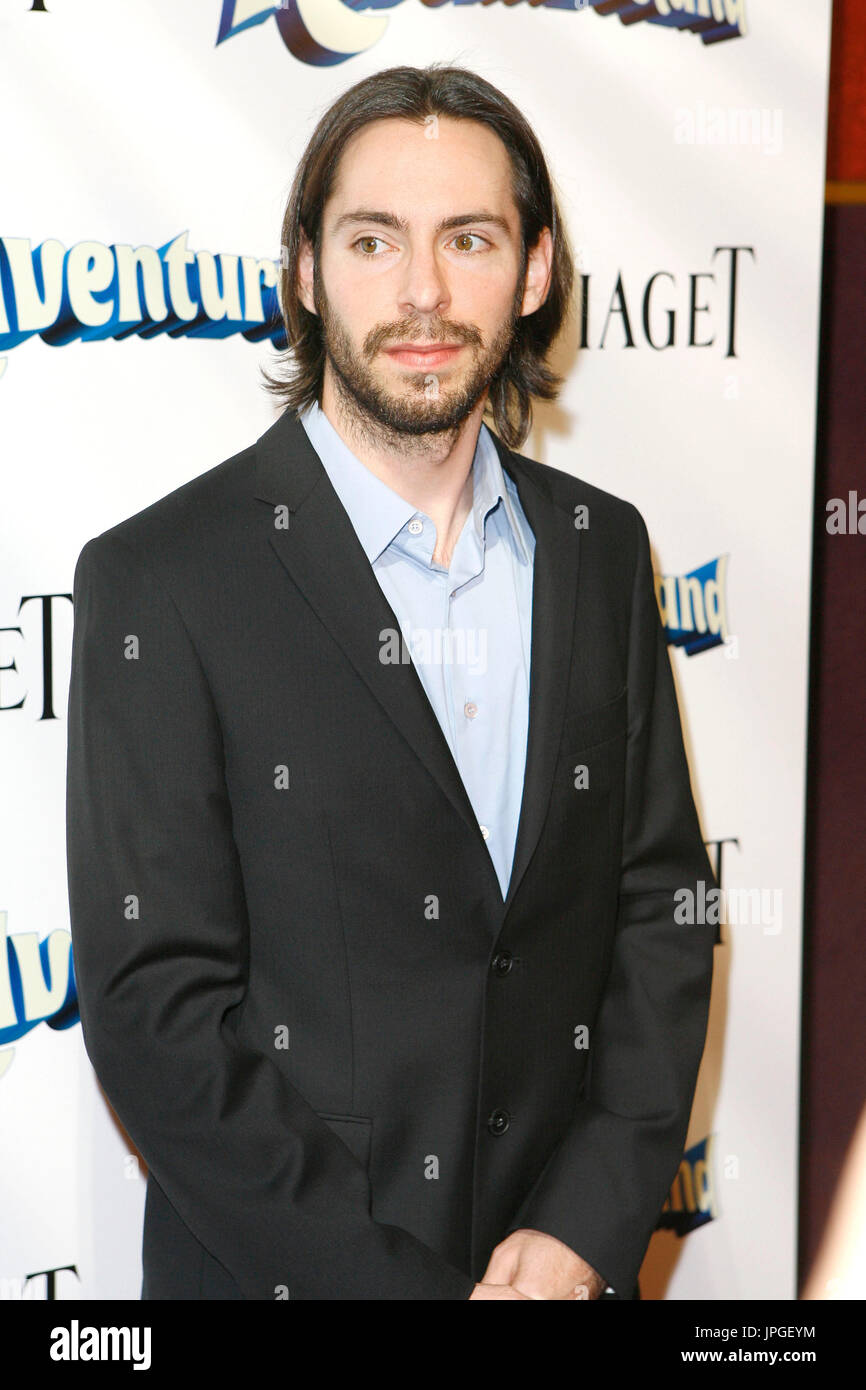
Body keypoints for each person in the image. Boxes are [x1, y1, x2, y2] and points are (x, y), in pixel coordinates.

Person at [66, 63, 716, 1301]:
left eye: (467, 239)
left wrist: (586, 1226)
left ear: (531, 274)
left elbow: (658, 905)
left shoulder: (602, 549)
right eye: (373, 240)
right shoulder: (163, 582)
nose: (421, 291)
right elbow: (158, 1016)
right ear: (305, 272)